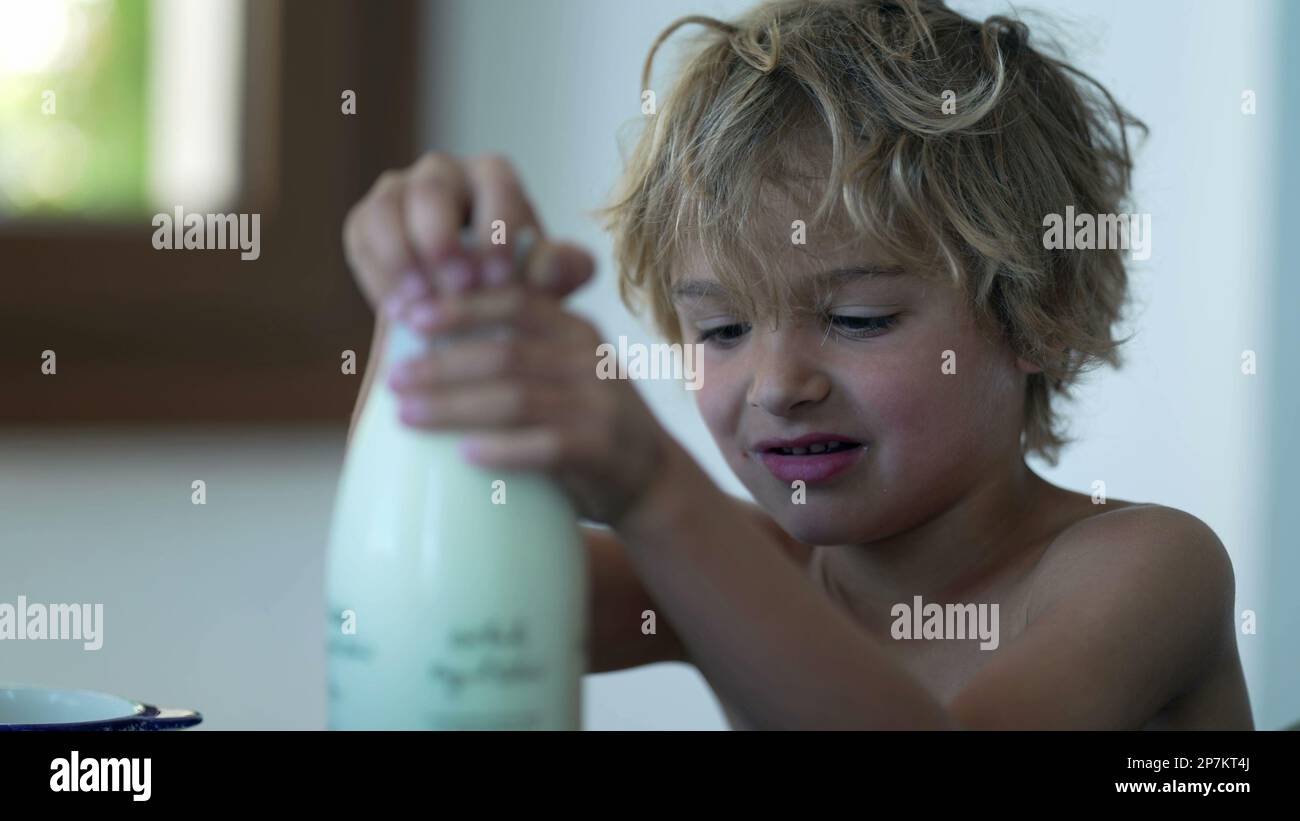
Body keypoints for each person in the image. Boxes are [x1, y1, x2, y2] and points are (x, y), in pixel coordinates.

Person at [340, 0, 1253, 729]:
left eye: (858, 318)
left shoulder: (1146, 568)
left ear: (1038, 315)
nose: (778, 385)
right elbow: (411, 608)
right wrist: (431, 298)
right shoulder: (748, 567)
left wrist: (654, 489)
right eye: (723, 331)